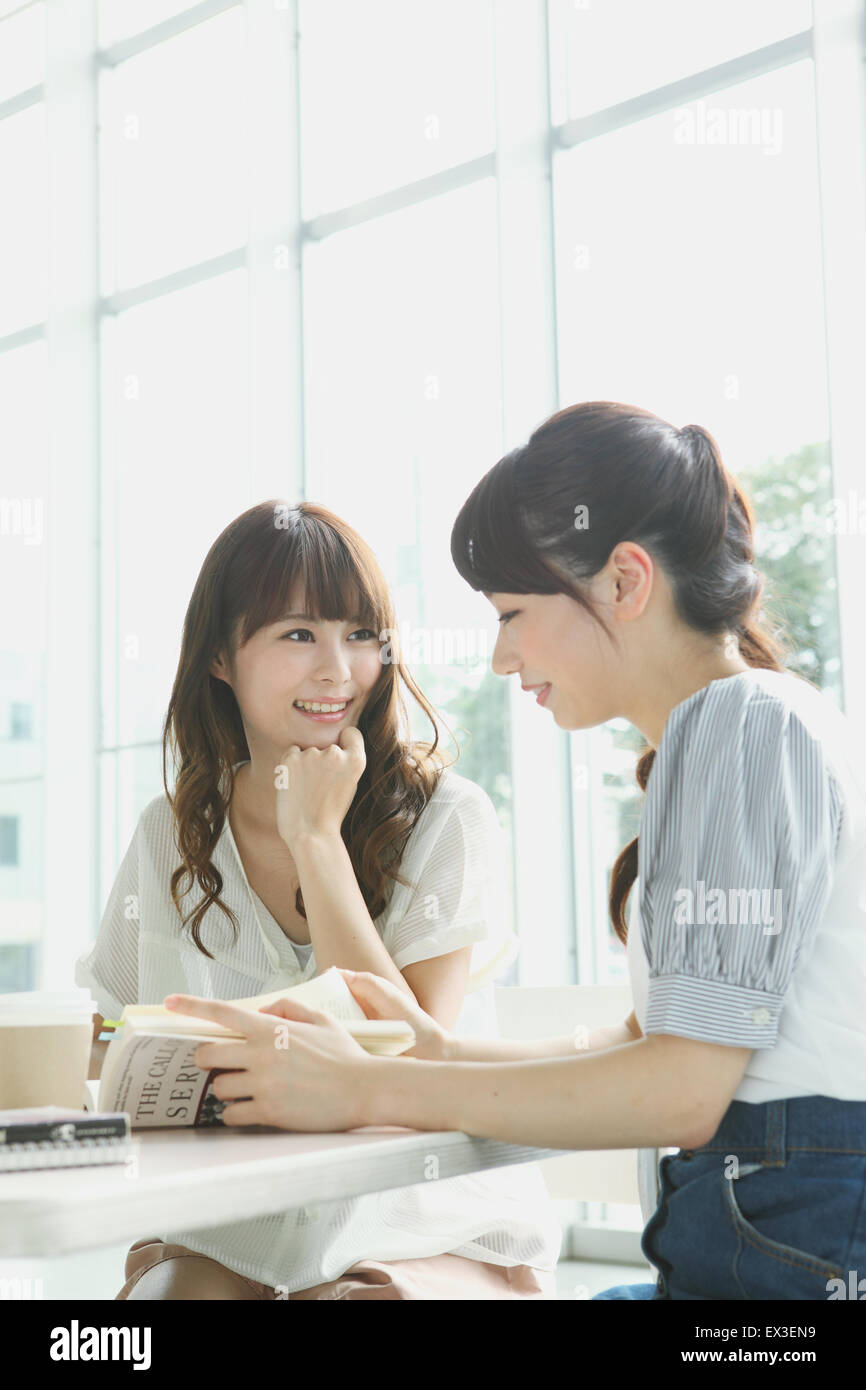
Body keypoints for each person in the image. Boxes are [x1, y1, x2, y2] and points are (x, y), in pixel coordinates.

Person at [167, 402, 866, 1301]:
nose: (501, 657)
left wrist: (371, 1092)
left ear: (625, 581)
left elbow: (682, 1092)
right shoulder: (742, 729)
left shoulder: (741, 729)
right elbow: (646, 1047)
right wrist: (431, 1051)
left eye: (513, 612)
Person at [75, 499, 562, 1300]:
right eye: (299, 634)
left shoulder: (449, 817)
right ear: (220, 658)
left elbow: (410, 1060)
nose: (340, 669)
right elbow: (110, 1041)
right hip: (232, 1230)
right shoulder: (168, 833)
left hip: (422, 1224)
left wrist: (317, 840)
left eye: (361, 634)